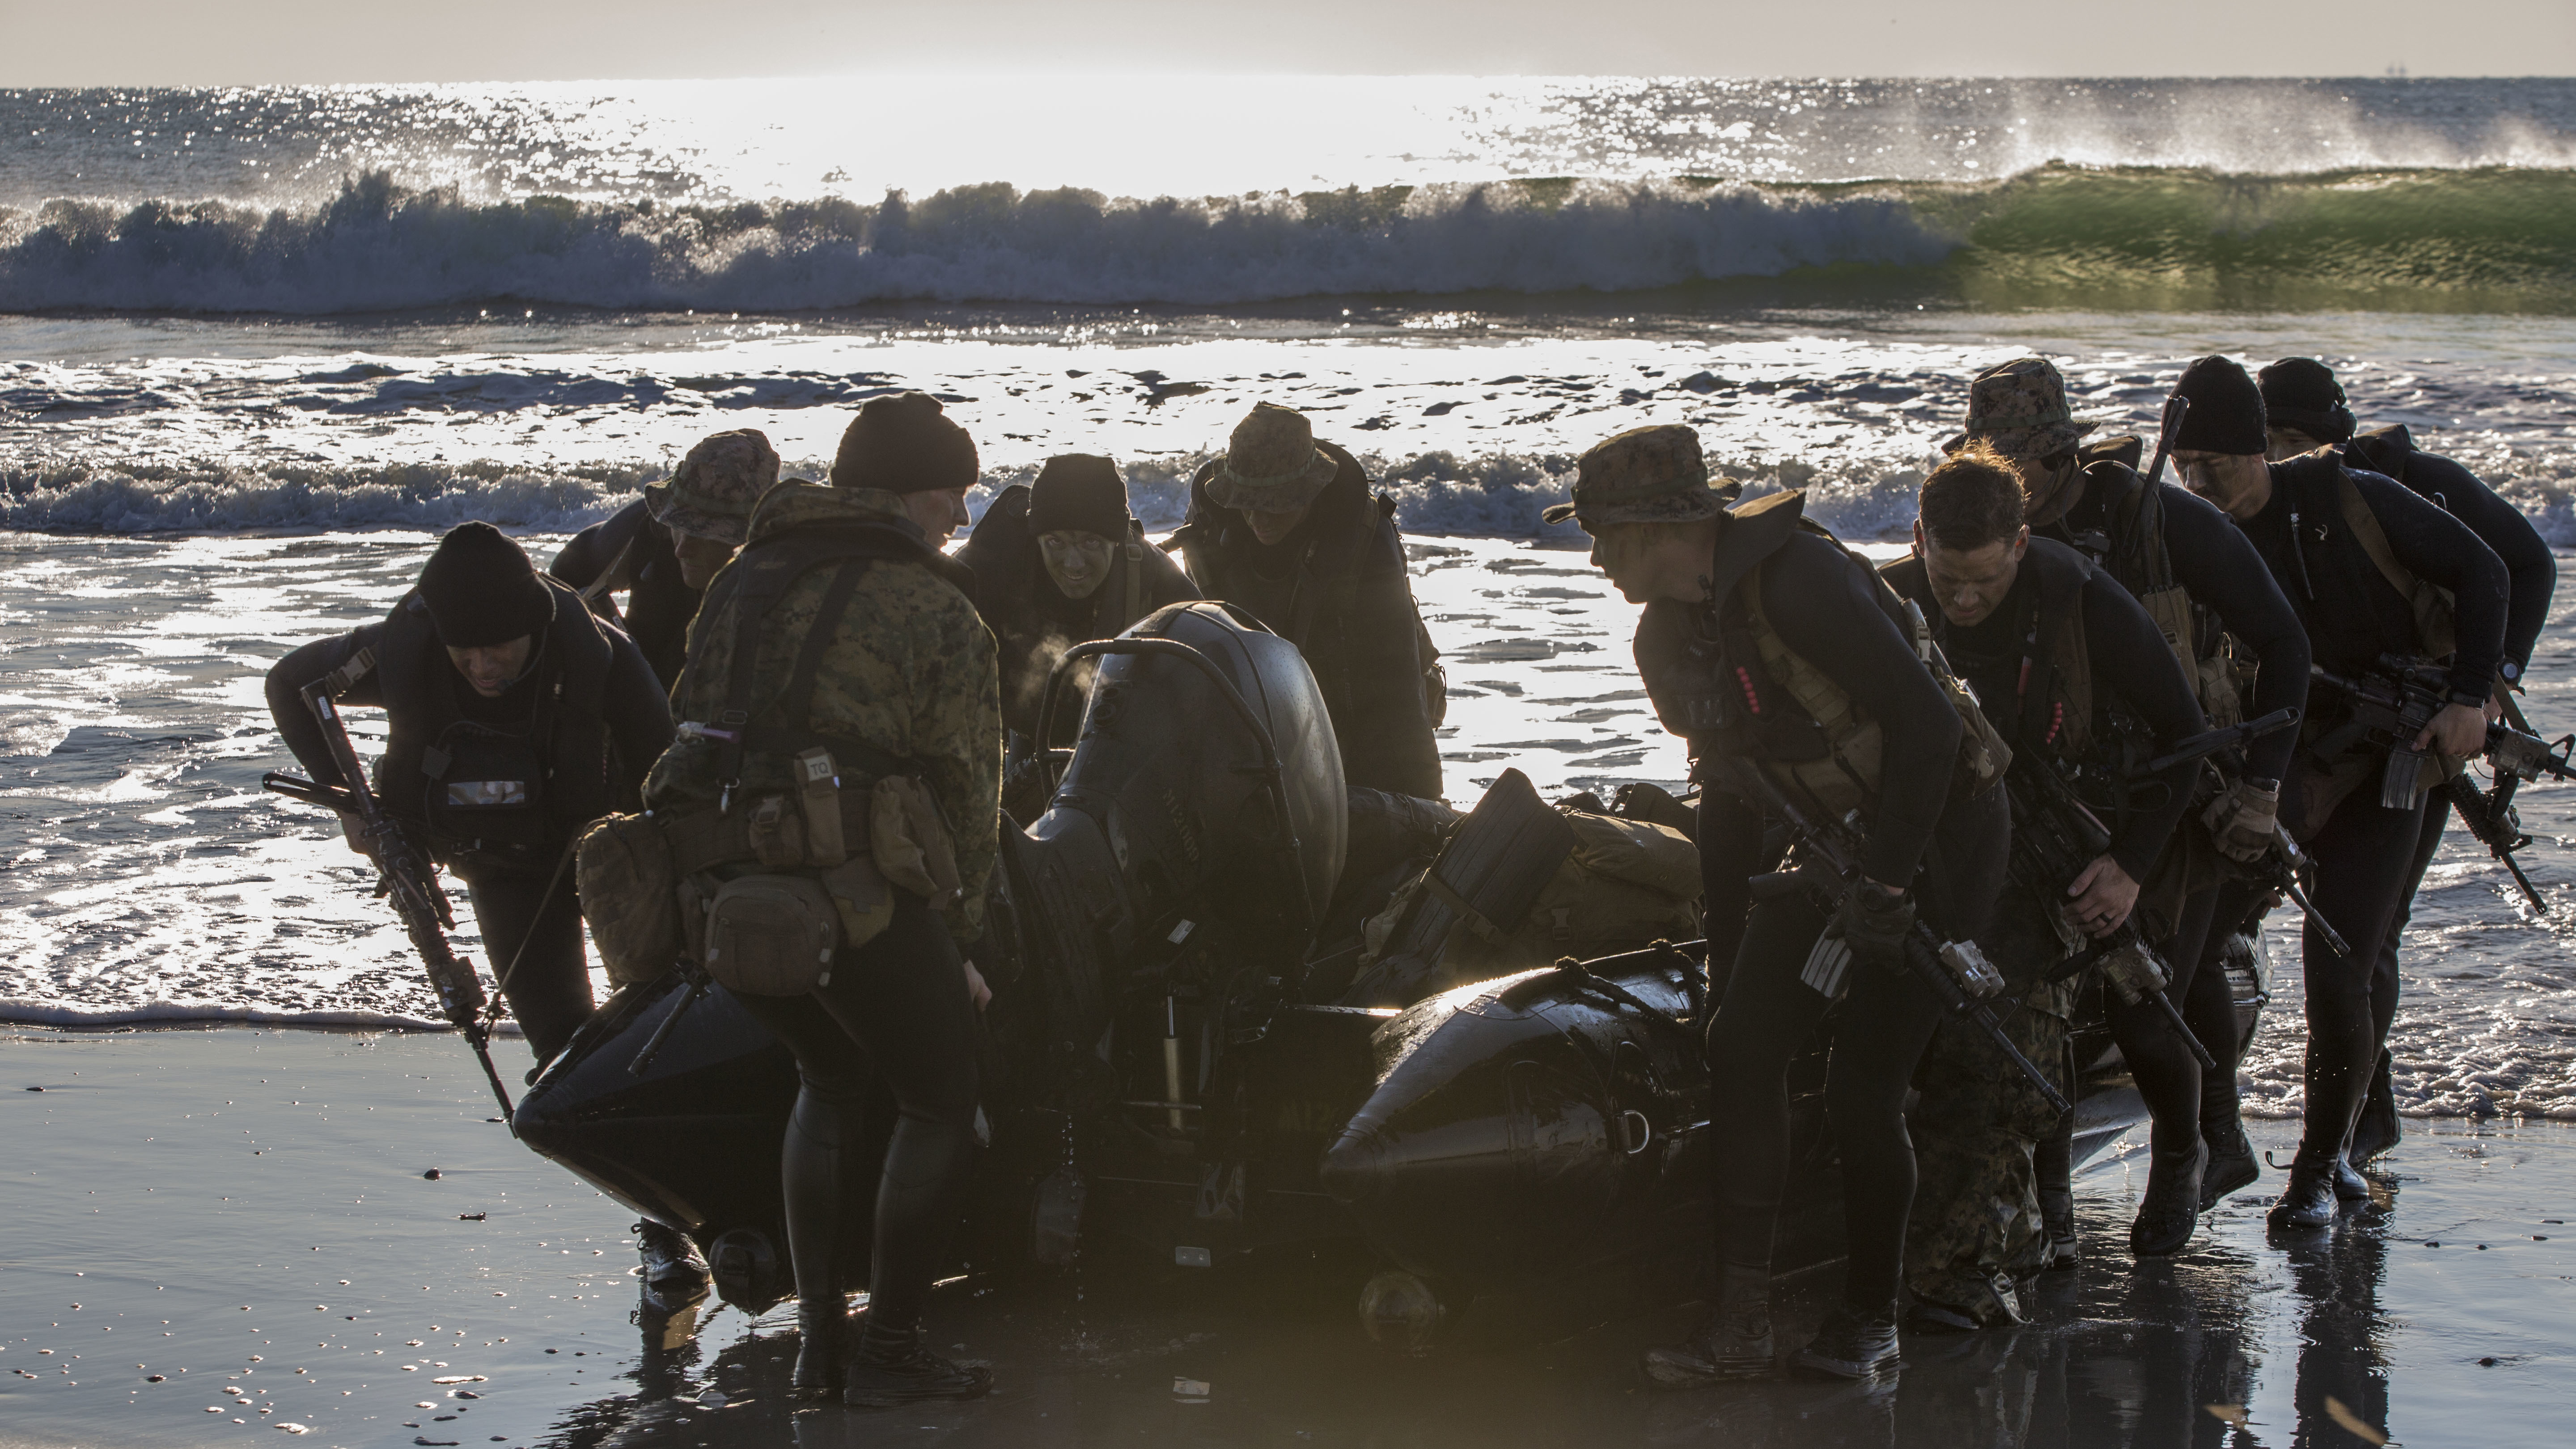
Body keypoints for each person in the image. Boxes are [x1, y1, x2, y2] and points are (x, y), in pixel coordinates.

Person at [1552, 424, 2010, 1383]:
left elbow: (1930, 735)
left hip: (1944, 834)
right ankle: (1743, 1319)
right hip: (1834, 847)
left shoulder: (1803, 582)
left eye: (1607, 537)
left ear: (1661, 526)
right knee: (1743, 1042)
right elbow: (1729, 793)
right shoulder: (1668, 634)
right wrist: (1728, 952)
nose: (1596, 560)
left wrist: (1887, 887)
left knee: (1864, 1088)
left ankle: (1867, 1320)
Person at [643, 390, 998, 1406]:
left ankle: (815, 1349)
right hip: (842, 900)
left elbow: (690, 723)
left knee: (829, 1073)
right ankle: (890, 1341)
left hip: (715, 898)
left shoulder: (739, 580)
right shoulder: (936, 605)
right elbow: (972, 797)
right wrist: (962, 944)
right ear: (901, 498)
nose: (957, 523)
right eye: (948, 499)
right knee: (939, 1092)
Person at [266, 522, 699, 1308]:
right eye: (465, 654)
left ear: (533, 627)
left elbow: (672, 775)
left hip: (611, 855)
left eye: (497, 650)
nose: (480, 667)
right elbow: (291, 683)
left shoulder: (601, 657)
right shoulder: (403, 649)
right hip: (502, 870)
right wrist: (346, 804)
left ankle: (718, 1195)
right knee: (566, 1055)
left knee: (656, 1035)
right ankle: (664, 1230)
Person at [1956, 357, 2313, 1261]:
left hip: (2173, 793)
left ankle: (2186, 1156)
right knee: (2033, 996)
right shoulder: (1990, 545)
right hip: (2049, 800)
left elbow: (2284, 642)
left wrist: (2265, 791)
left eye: (2019, 473)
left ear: (2062, 456)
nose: (2007, 494)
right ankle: (2052, 1214)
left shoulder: (2156, 519)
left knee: (2137, 998)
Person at [2167, 355, 2509, 1231]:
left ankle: (2322, 1170)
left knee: (2343, 960)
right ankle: (2217, 1131)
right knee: (2193, 932)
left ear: (2260, 451)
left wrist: (2474, 693)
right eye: (2186, 468)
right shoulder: (2192, 529)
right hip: (2290, 755)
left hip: (2400, 752)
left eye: (2219, 466)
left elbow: (2492, 575)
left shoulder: (2344, 499)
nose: (2202, 485)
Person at [1882, 446, 2207, 1326]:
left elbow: (2186, 737)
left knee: (2003, 1018)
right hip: (1938, 831)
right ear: (1919, 541)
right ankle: (2038, 1212)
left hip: (2069, 830)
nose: (1964, 600)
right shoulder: (1888, 597)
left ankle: (1980, 1257)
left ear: (2021, 545)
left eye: (1985, 579)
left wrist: (2131, 867)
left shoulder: (2079, 601)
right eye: (1948, 577)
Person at [2260, 356, 2558, 1167]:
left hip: (2418, 734)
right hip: (2322, 734)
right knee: (2330, 925)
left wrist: (2491, 680)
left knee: (2370, 931)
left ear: (2330, 439)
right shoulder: (2269, 510)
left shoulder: (2418, 486)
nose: (2279, 460)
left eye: (2289, 441)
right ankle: (2367, 1098)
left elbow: (2524, 565)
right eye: (2268, 442)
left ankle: (2363, 1117)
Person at [1171, 402, 1444, 798]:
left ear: (1312, 491)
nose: (1258, 518)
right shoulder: (1211, 527)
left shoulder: (1366, 543)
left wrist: (1427, 804)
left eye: (1275, 504)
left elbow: (1400, 700)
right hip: (1251, 720)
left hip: (1358, 719)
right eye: (1247, 501)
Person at [954, 453, 1198, 813]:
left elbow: (1211, 662)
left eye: (1091, 543)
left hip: (1114, 734)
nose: (1073, 563)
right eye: (1055, 542)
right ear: (1034, 535)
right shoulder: (988, 569)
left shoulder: (1153, 576)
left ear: (1117, 539)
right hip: (1017, 720)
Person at [547, 429, 783, 689]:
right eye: (678, 525)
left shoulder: (788, 588)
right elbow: (562, 579)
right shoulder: (651, 532)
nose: (681, 550)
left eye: (704, 535)